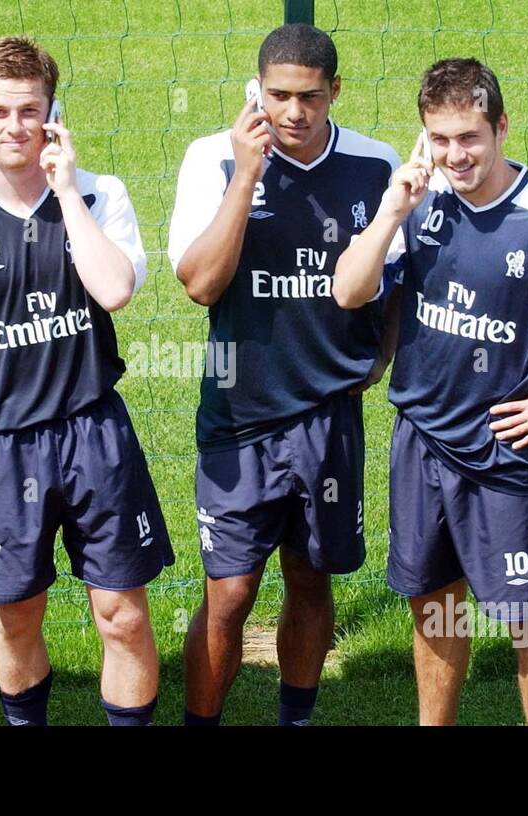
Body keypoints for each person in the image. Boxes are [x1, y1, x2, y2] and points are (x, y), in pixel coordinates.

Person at [334, 57, 528, 725]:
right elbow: (349, 291)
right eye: (439, 139)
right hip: (421, 441)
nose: (455, 155)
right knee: (434, 606)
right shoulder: (417, 205)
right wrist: (392, 211)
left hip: (505, 452)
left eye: (469, 137)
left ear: (501, 128)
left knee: (527, 619)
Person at [0, 36, 173, 726]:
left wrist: (64, 192)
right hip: (4, 447)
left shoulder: (99, 195)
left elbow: (114, 289)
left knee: (121, 614)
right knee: (17, 614)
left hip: (95, 434)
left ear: (52, 114)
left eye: (29, 111)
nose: (14, 127)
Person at [168, 23, 403, 726]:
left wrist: (381, 357)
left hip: (329, 418)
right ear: (257, 89)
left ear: (335, 91)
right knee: (230, 592)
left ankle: (295, 719)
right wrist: (248, 174)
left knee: (310, 579)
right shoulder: (214, 158)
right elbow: (201, 284)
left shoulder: (374, 164)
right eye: (278, 96)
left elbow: (401, 278)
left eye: (309, 97)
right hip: (239, 415)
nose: (293, 112)